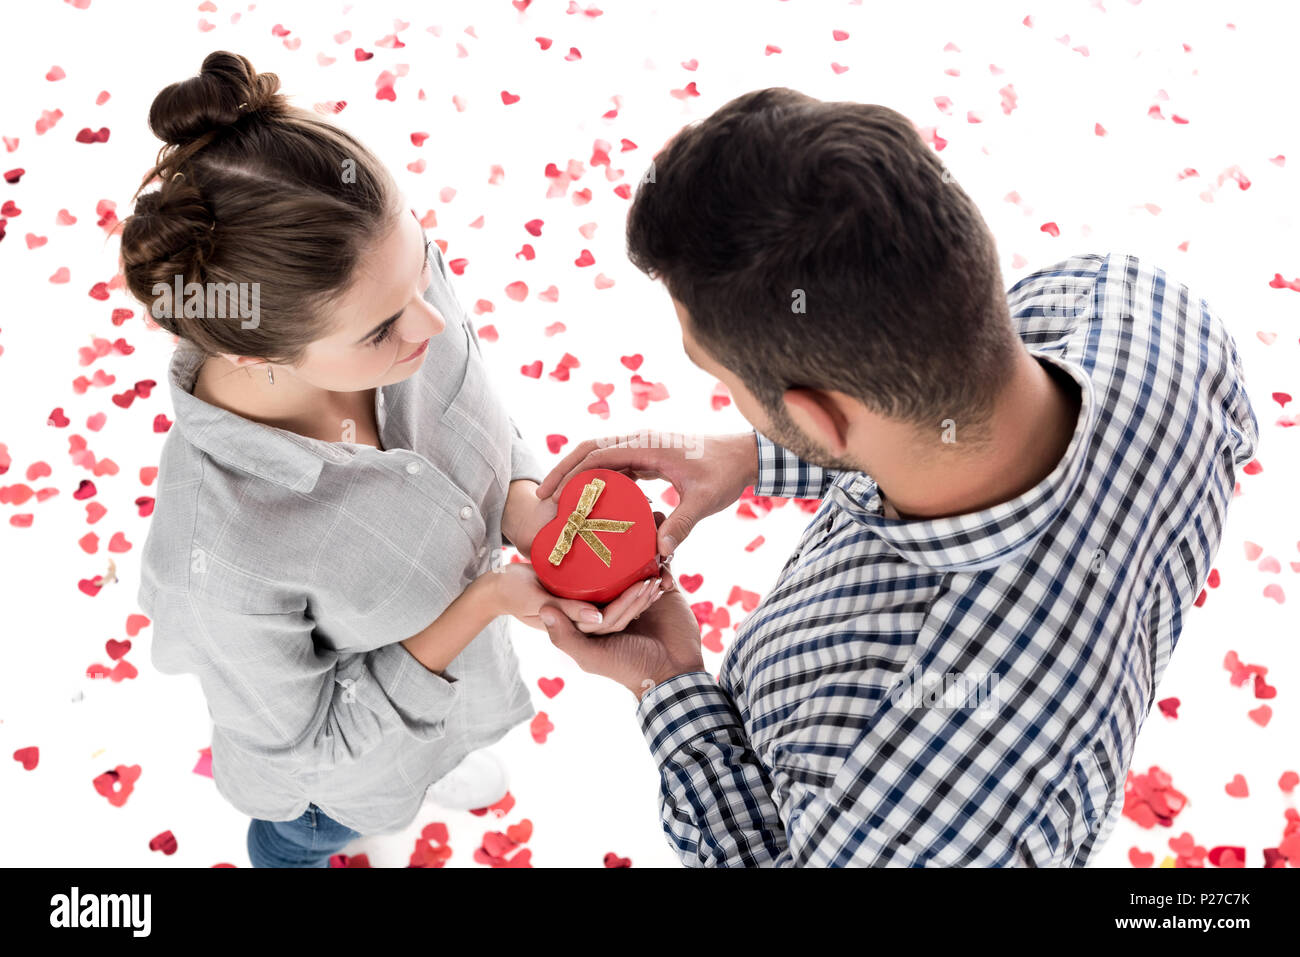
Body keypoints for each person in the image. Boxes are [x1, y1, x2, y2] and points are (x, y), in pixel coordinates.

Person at [532, 87, 1261, 866]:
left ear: (821, 418)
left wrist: (670, 680)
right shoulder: (1138, 307)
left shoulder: (915, 805)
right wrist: (751, 453)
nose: (726, 396)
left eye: (717, 374)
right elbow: (941, 392)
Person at [120, 51, 668, 867]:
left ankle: (432, 762)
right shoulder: (217, 558)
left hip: (451, 703)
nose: (431, 323)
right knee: (303, 837)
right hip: (335, 793)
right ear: (252, 356)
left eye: (421, 266)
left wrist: (524, 507)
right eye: (381, 330)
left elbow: (480, 416)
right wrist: (484, 603)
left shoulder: (387, 285)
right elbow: (315, 749)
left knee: (429, 752)